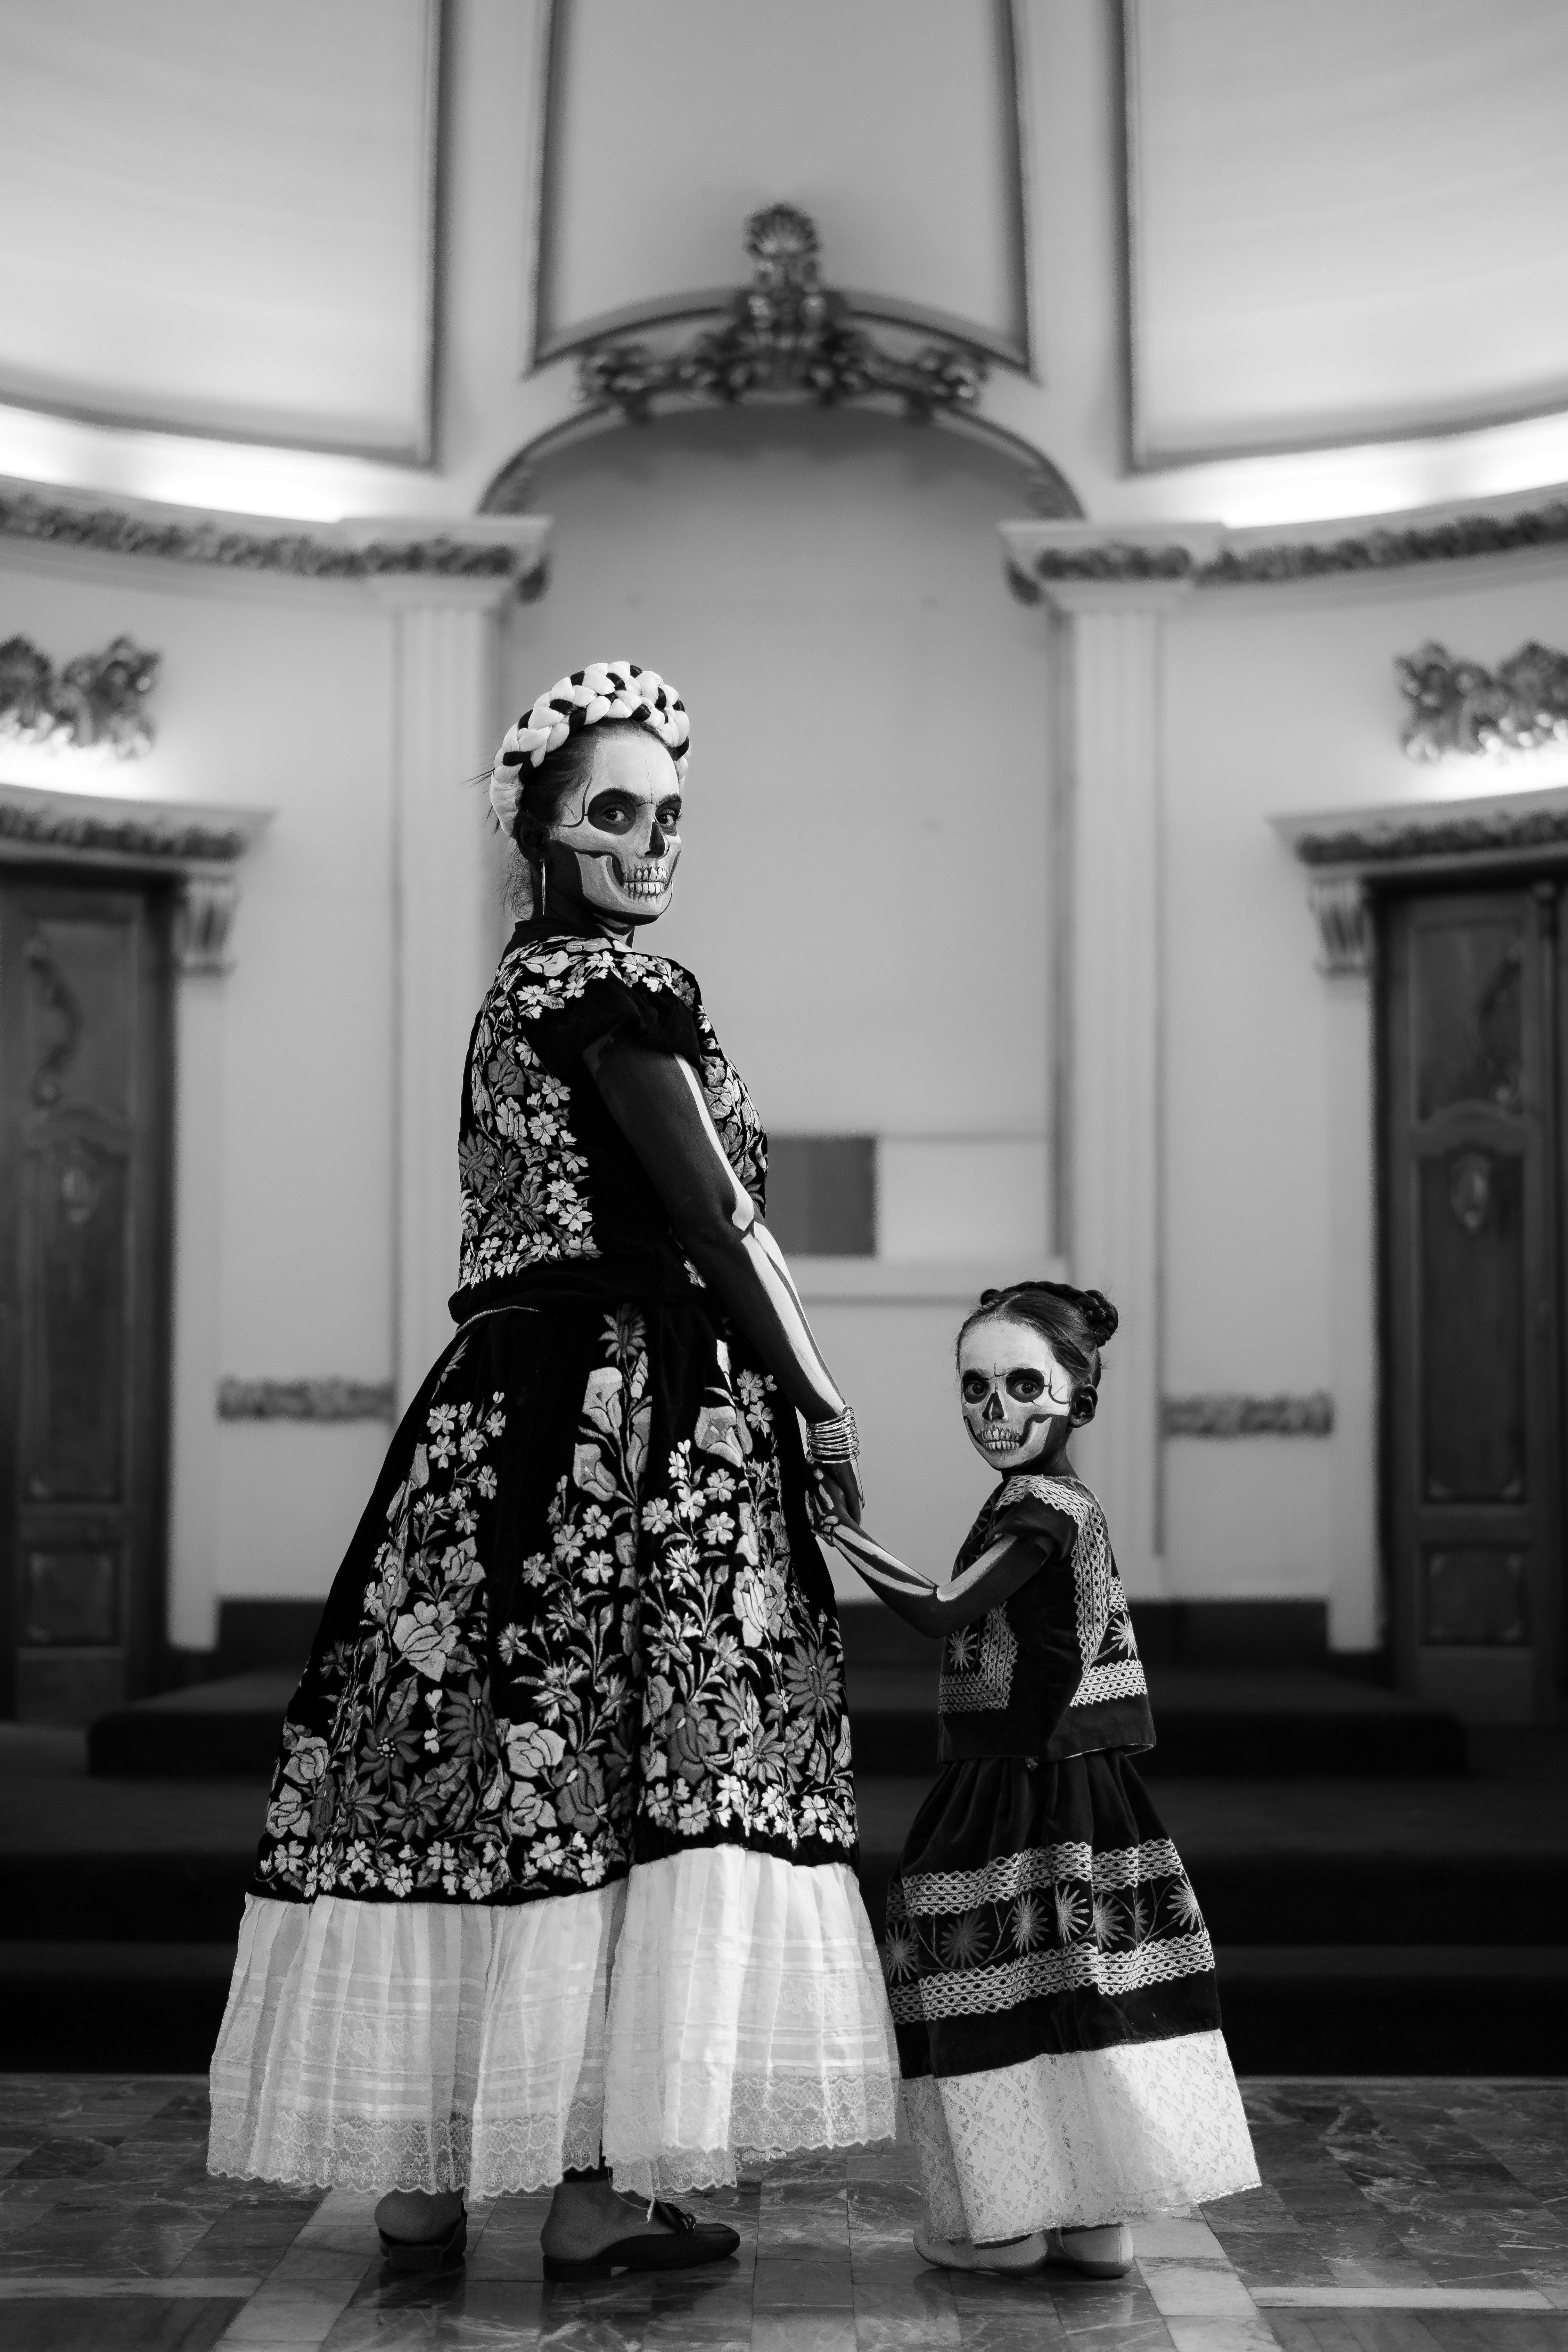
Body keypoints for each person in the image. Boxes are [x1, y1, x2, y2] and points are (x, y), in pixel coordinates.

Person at [208, 661, 898, 2277]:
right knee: (626, 1771)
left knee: (487, 1758)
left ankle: (429, 2176)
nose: (654, 846)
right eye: (616, 814)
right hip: (630, 1417)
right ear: (541, 826)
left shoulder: (505, 995)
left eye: (670, 818)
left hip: (498, 1413)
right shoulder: (615, 991)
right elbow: (718, 1215)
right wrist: (820, 1401)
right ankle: (587, 2189)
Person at [816, 1278, 1258, 2277]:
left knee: (991, 1985)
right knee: (1078, 1985)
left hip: (1020, 1787)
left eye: (1022, 1384)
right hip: (1071, 1787)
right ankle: (1093, 2218)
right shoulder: (1040, 1501)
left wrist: (837, 1527)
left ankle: (1009, 2219)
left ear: (1076, 1397)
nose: (995, 1410)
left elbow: (939, 1608)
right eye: (975, 1388)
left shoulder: (1043, 1509)